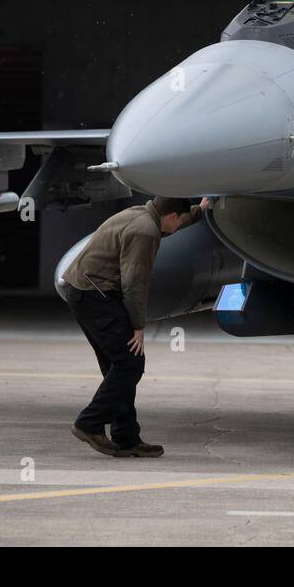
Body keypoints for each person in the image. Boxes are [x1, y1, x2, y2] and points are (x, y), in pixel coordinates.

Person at [61, 195, 208, 456]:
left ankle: (127, 438)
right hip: (96, 296)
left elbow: (175, 219)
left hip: (85, 291)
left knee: (118, 366)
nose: (179, 225)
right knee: (130, 363)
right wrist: (138, 326)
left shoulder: (144, 214)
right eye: (181, 219)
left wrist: (200, 210)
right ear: (172, 216)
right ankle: (89, 423)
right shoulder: (146, 231)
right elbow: (134, 283)